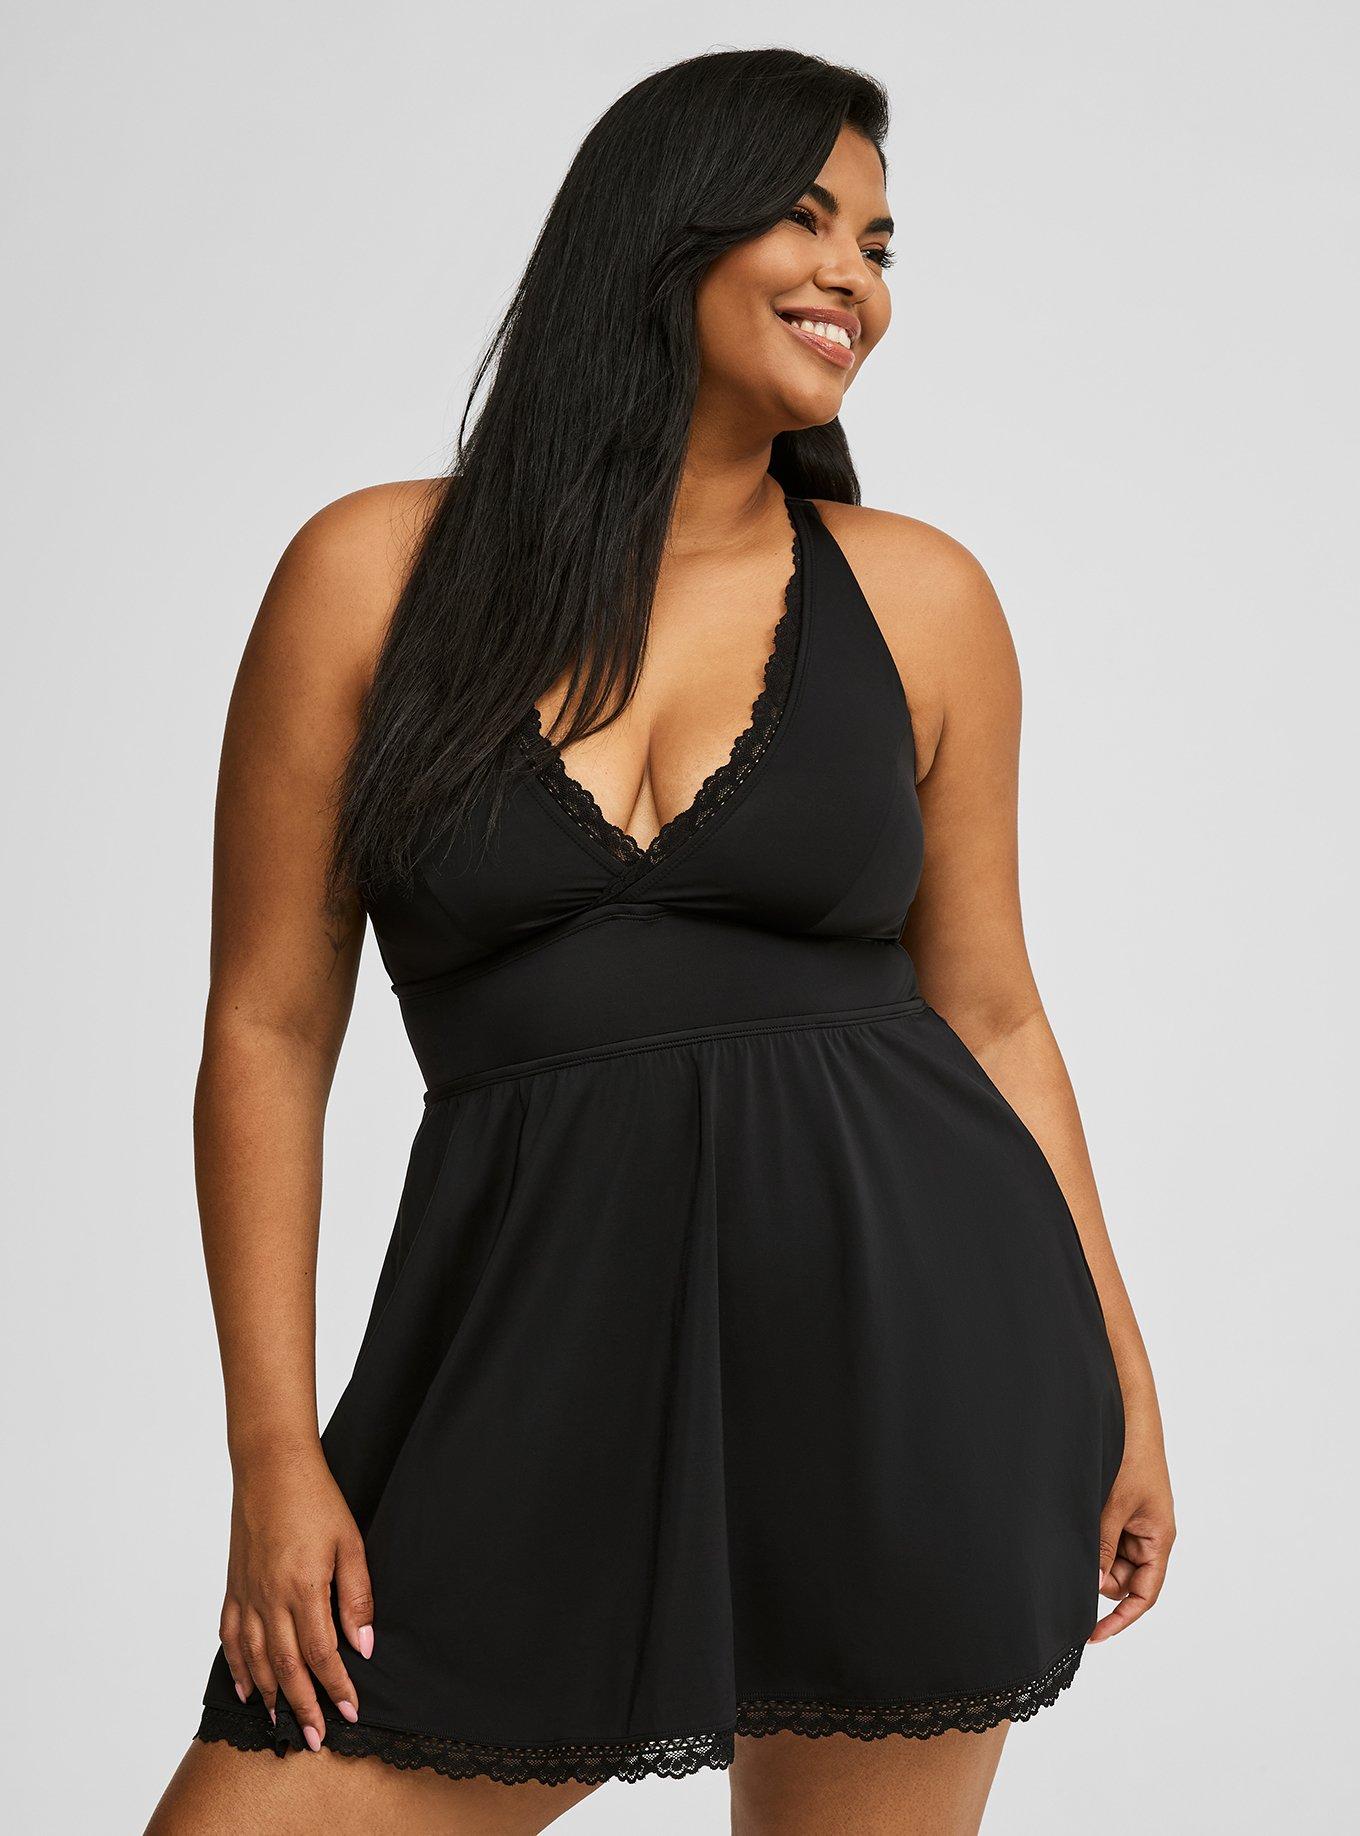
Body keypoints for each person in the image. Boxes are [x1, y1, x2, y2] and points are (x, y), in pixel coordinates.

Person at [147, 47, 1174, 1836]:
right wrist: (273, 1454)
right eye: (808, 219)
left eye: (880, 245)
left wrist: (1128, 1385)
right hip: (528, 1365)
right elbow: (267, 1032)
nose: (854, 277)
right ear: (662, 231)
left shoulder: (919, 595)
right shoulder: (368, 576)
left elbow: (996, 1016)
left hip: (917, 1359)